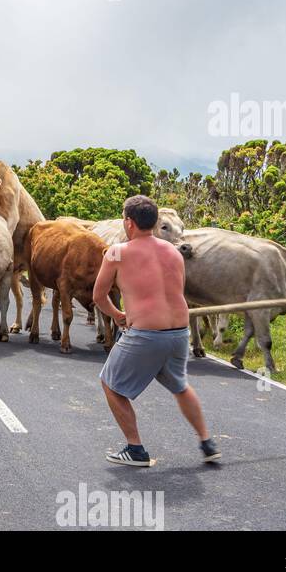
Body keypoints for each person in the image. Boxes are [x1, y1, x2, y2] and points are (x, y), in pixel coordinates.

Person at [93, 195, 220, 467]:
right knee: (180, 386)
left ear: (129, 222)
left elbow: (99, 296)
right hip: (178, 333)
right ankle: (207, 441)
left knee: (110, 384)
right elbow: (175, 289)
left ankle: (135, 449)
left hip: (146, 335)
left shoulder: (117, 252)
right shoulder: (173, 252)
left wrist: (117, 315)